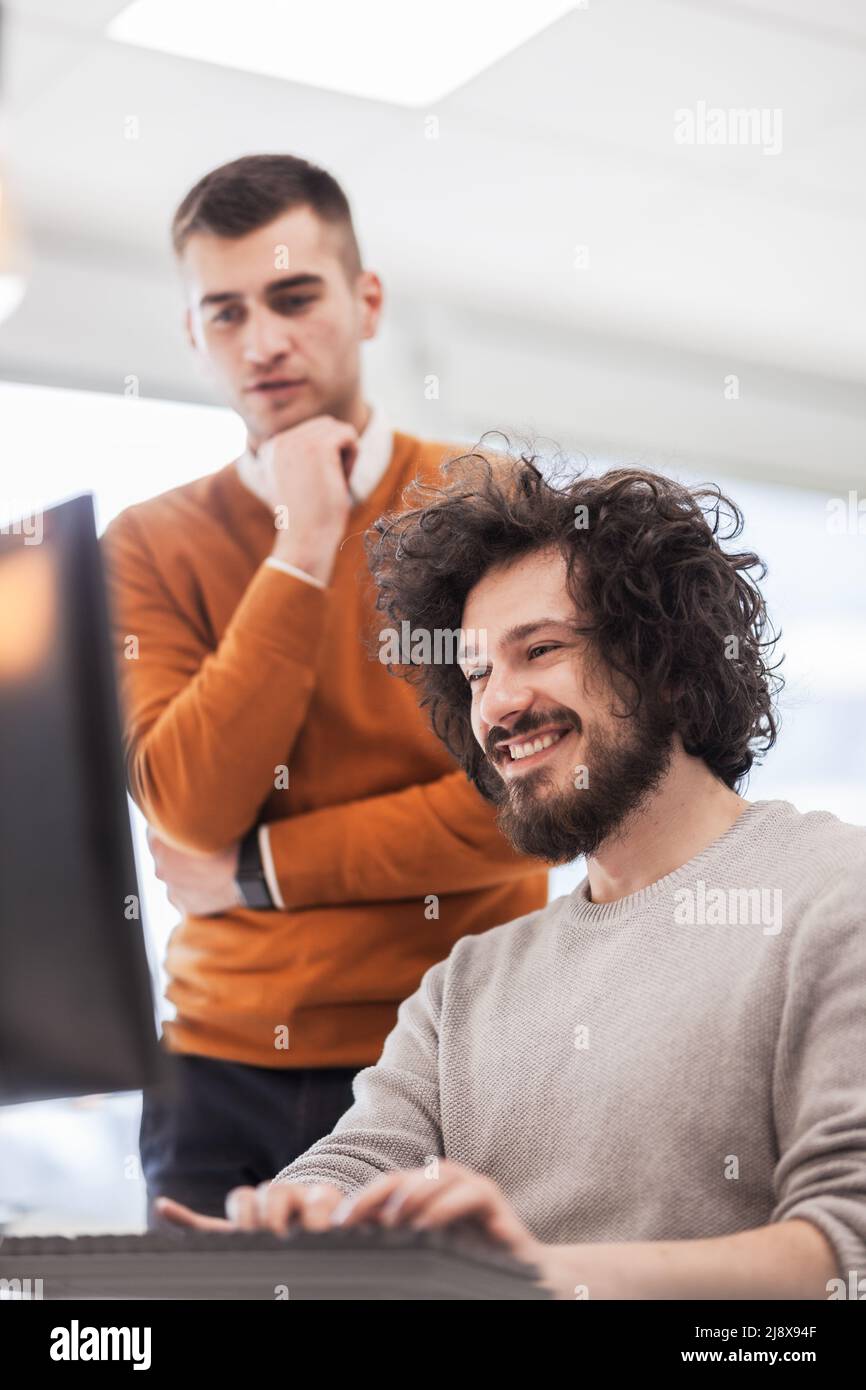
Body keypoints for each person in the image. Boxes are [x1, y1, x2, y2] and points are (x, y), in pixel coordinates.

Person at [159, 454, 866, 1300]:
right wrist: (291, 1228)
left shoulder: (836, 894)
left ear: (668, 663)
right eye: (479, 673)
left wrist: (533, 1277)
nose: (496, 705)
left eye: (539, 649)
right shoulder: (466, 984)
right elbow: (356, 1164)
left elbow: (846, 1255)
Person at [100, 158, 547, 1224]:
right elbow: (188, 801)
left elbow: (515, 802)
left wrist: (255, 870)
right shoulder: (149, 545)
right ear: (192, 333)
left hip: (456, 1044)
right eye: (226, 312)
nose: (262, 341)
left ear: (366, 301)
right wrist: (302, 541)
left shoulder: (485, 500)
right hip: (219, 1065)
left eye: (294, 298)